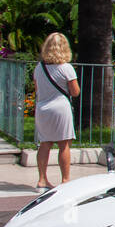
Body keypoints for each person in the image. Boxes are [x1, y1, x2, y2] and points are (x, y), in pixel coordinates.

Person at [33, 32, 80, 191]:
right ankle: (65, 180)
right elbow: (75, 92)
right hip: (60, 108)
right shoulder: (66, 68)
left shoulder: (39, 68)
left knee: (44, 144)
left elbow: (37, 89)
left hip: (42, 108)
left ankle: (42, 180)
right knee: (64, 144)